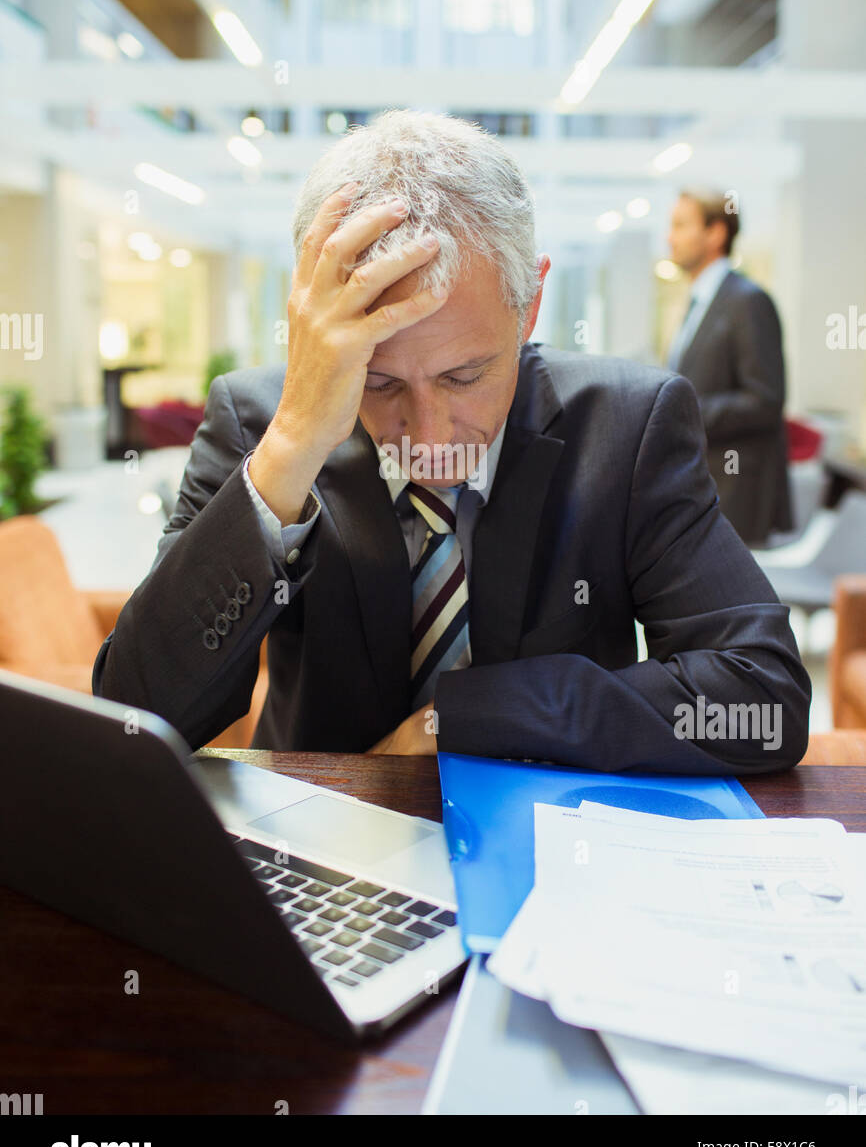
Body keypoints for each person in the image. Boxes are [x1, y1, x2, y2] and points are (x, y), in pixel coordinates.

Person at [93, 111, 809, 772]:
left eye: (466, 375)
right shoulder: (260, 426)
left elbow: (764, 704)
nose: (428, 437)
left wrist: (462, 719)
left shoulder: (626, 427)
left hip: (558, 852)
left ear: (529, 308)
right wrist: (293, 445)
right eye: (379, 383)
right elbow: (135, 718)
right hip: (318, 848)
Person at [666, 190, 793, 548]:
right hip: (701, 486)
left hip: (737, 492)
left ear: (715, 233)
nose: (669, 237)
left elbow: (765, 400)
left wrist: (680, 411)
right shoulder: (698, 303)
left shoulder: (748, 301)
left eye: (680, 225)